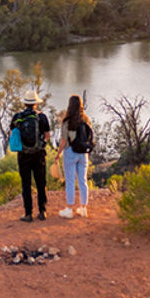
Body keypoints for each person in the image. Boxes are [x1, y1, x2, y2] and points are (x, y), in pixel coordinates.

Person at [11, 91, 52, 222]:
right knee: (41, 183)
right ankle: (42, 211)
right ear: (35, 103)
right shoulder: (42, 117)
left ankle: (28, 213)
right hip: (39, 155)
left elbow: (13, 133)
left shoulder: (17, 117)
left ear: (25, 103)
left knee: (26, 184)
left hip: (23, 155)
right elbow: (47, 135)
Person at [57, 94, 93, 219]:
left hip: (71, 152)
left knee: (70, 181)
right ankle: (83, 208)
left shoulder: (67, 121)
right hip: (84, 153)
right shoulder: (86, 120)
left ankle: (69, 209)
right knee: (83, 180)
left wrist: (58, 154)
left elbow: (63, 140)